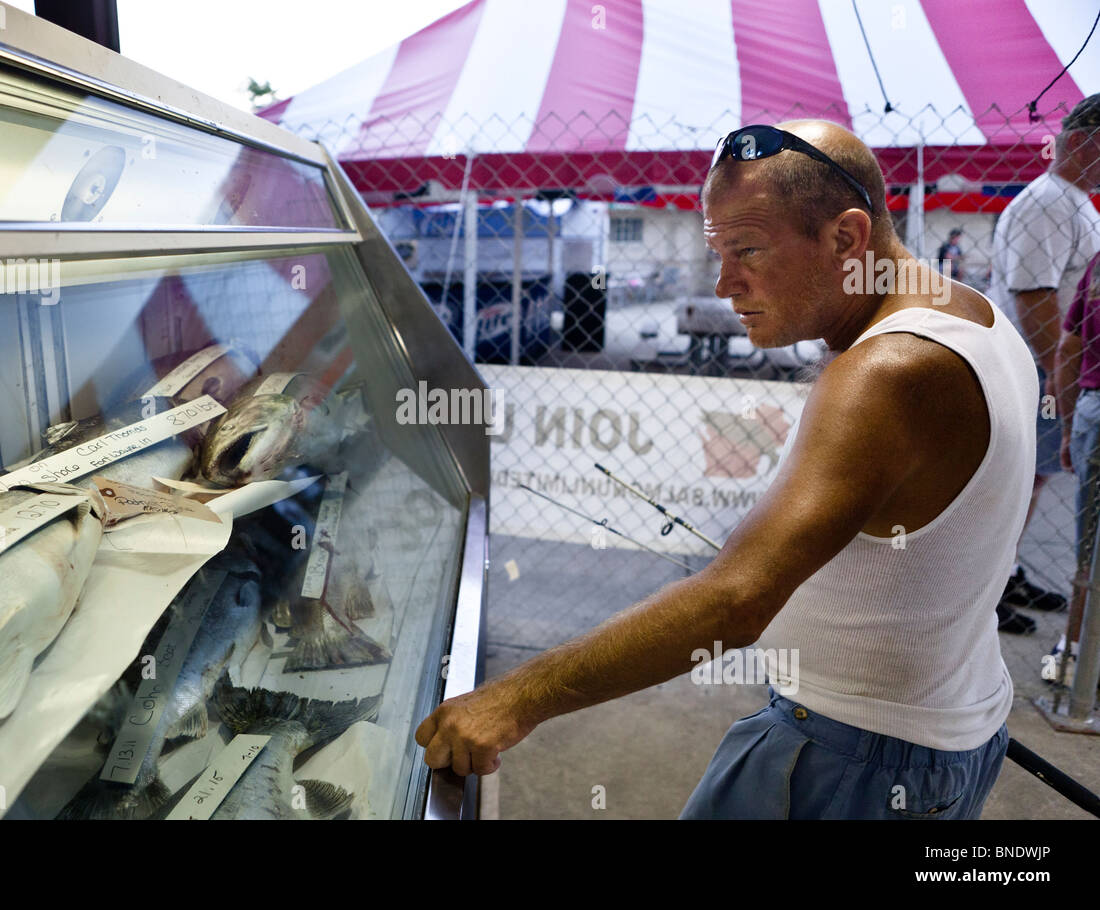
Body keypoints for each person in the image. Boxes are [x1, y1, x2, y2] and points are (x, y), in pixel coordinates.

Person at [416, 119, 1037, 819]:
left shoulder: (886, 373)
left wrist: (514, 698)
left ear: (847, 238)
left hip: (856, 756)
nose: (724, 283)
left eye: (748, 250)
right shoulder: (970, 312)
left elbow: (736, 601)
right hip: (938, 726)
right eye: (719, 249)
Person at [988, 93, 1100, 636]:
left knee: (1028, 480)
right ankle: (982, 588)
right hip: (1033, 366)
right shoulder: (1050, 202)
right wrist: (1063, 376)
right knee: (1009, 481)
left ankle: (1002, 574)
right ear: (1082, 142)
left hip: (1043, 367)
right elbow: (1035, 299)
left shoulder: (1070, 200)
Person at [1054, 248, 1100, 687]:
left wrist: (1068, 430)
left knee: (1089, 546)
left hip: (1094, 408)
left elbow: (1069, 348)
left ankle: (1074, 653)